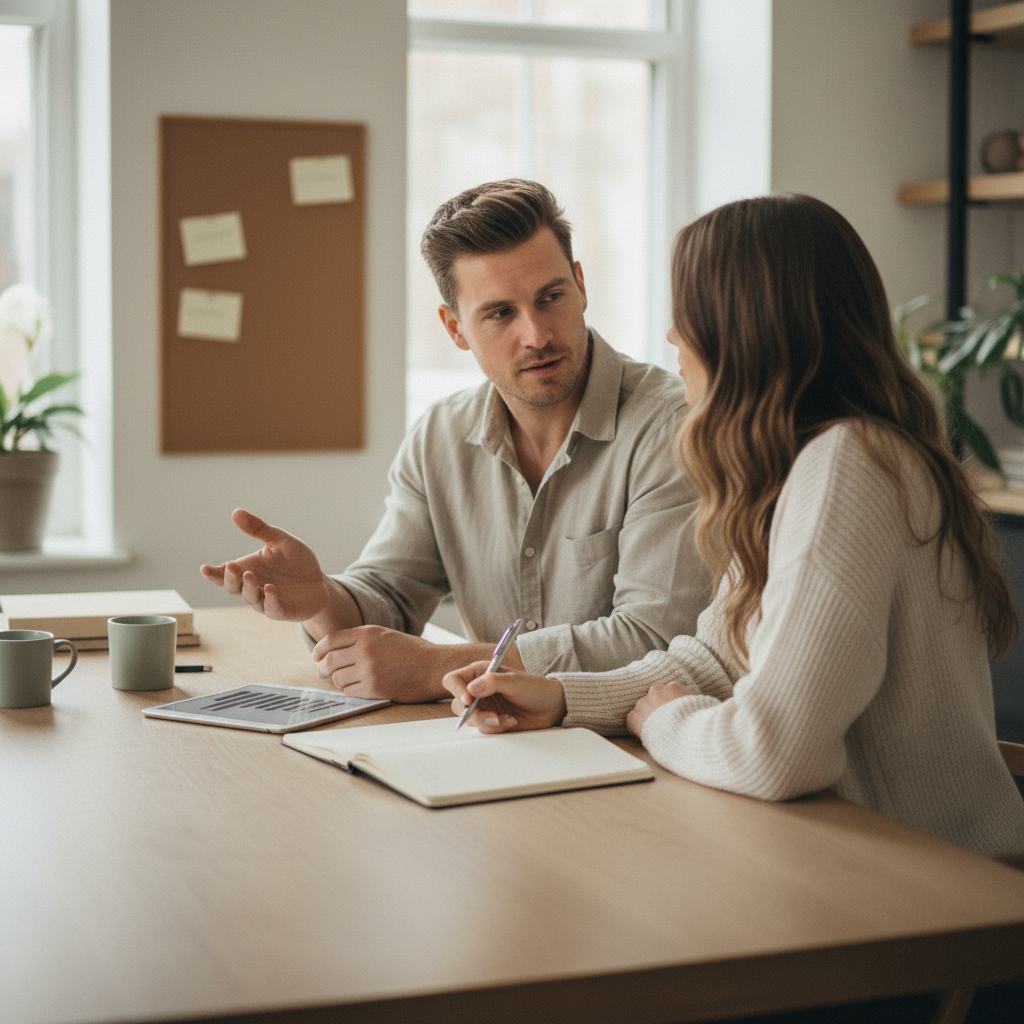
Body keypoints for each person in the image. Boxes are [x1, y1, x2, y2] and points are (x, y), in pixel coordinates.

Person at [444, 192, 1024, 862]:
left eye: (686, 316)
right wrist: (562, 698)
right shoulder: (803, 464)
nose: (671, 339)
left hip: (934, 889)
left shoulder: (849, 466)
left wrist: (663, 719)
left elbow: (774, 756)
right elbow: (714, 658)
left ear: (741, 330)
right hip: (855, 858)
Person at [200, 179, 708, 703]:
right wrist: (322, 598)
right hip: (498, 734)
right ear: (455, 328)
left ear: (580, 286)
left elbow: (656, 641)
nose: (536, 335)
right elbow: (391, 595)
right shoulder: (440, 437)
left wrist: (442, 666)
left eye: (551, 297)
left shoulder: (673, 427)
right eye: (500, 313)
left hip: (641, 743)